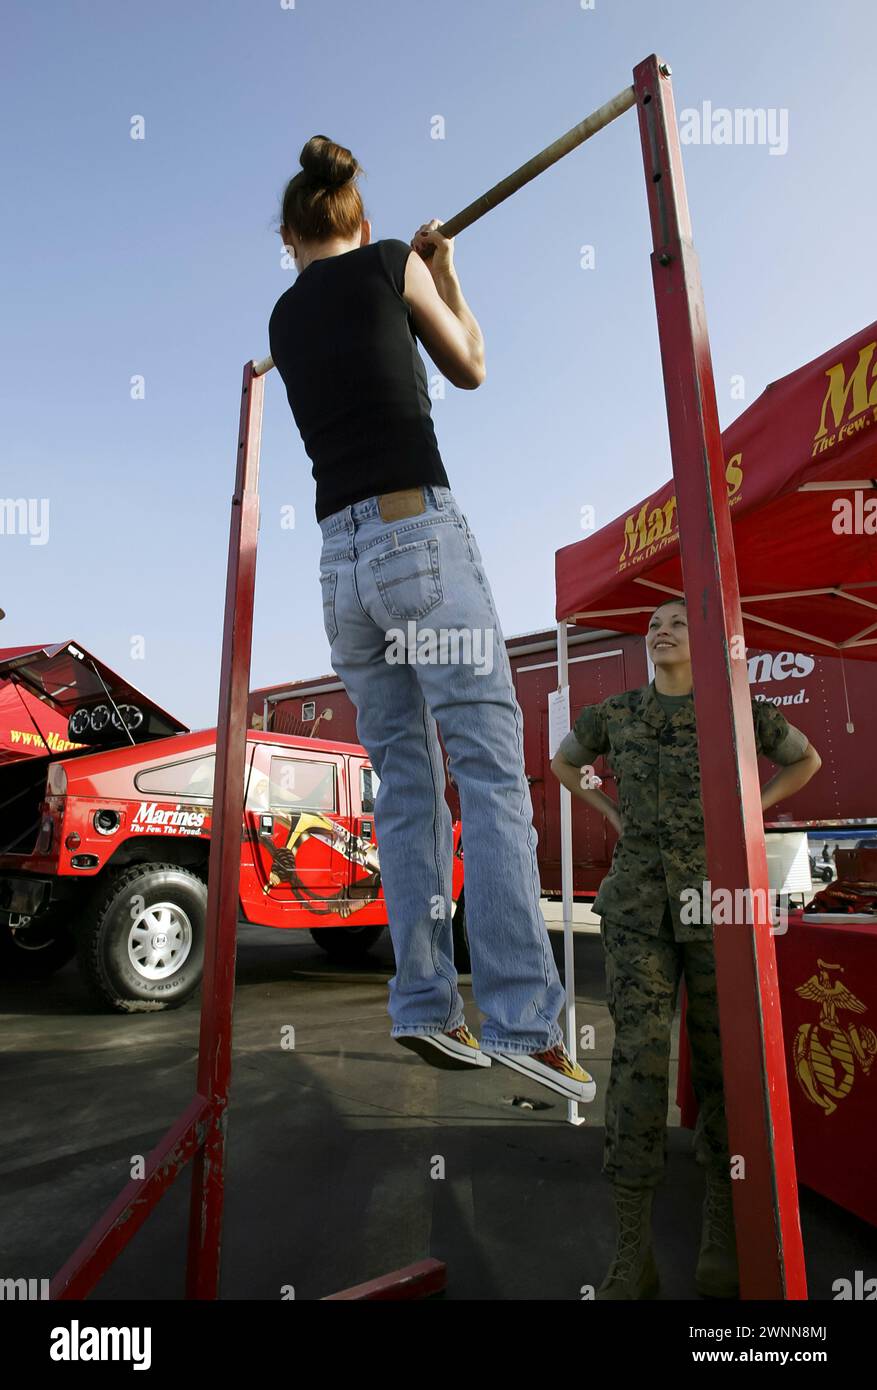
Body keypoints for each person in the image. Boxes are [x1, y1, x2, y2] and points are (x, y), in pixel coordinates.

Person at [268, 135, 593, 1104]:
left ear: (287, 238)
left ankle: (421, 1002)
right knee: (490, 772)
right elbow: (472, 366)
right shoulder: (388, 262)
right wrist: (445, 272)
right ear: (358, 222)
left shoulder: (281, 319)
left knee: (407, 788)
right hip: (417, 538)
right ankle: (525, 1024)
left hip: (339, 564)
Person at [550, 598, 822, 1300]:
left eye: (676, 622)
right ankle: (631, 1252)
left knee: (722, 1068)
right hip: (637, 907)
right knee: (637, 1064)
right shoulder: (613, 715)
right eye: (653, 625)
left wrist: (746, 812)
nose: (662, 631)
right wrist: (609, 812)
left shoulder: (737, 708)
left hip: (716, 906)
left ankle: (720, 1230)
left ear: (700, 641)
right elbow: (564, 763)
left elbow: (804, 759)